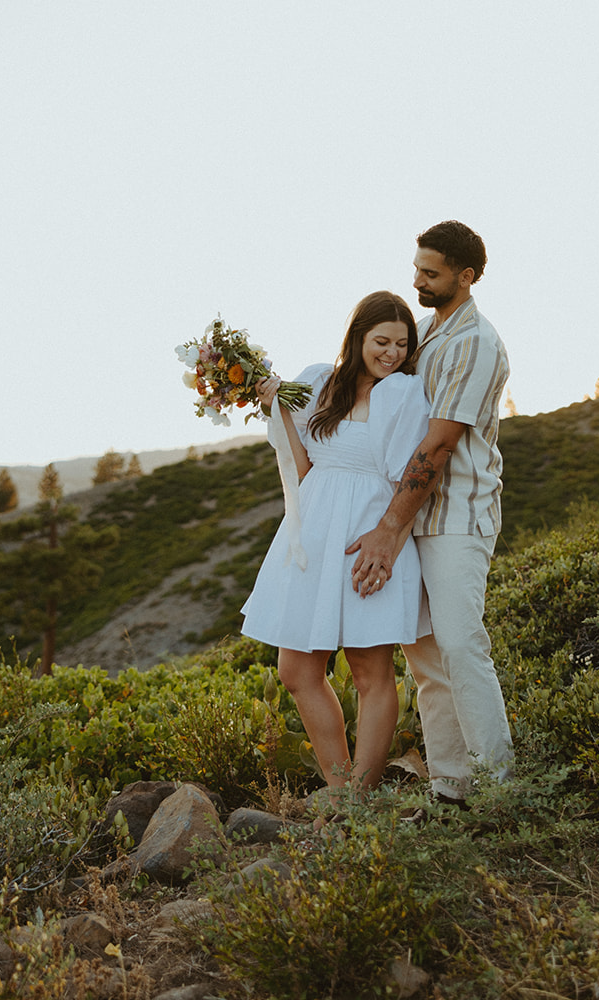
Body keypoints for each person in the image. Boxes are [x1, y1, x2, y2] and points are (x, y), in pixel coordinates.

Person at [347, 221, 513, 802]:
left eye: (430, 273)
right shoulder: (430, 335)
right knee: (427, 661)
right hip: (415, 515)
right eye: (416, 268)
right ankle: (450, 790)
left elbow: (439, 445)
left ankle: (499, 790)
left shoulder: (474, 342)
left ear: (465, 277)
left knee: (462, 645)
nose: (417, 280)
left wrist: (388, 529)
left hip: (456, 518)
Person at [241, 291, 430, 795]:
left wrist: (387, 543)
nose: (392, 353)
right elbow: (304, 466)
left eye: (402, 344)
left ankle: (357, 800)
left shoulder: (404, 393)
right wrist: (278, 410)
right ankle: (340, 789)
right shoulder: (320, 381)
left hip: (370, 535)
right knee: (296, 669)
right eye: (382, 341)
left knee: (370, 673)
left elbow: (413, 478)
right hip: (316, 531)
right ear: (358, 337)